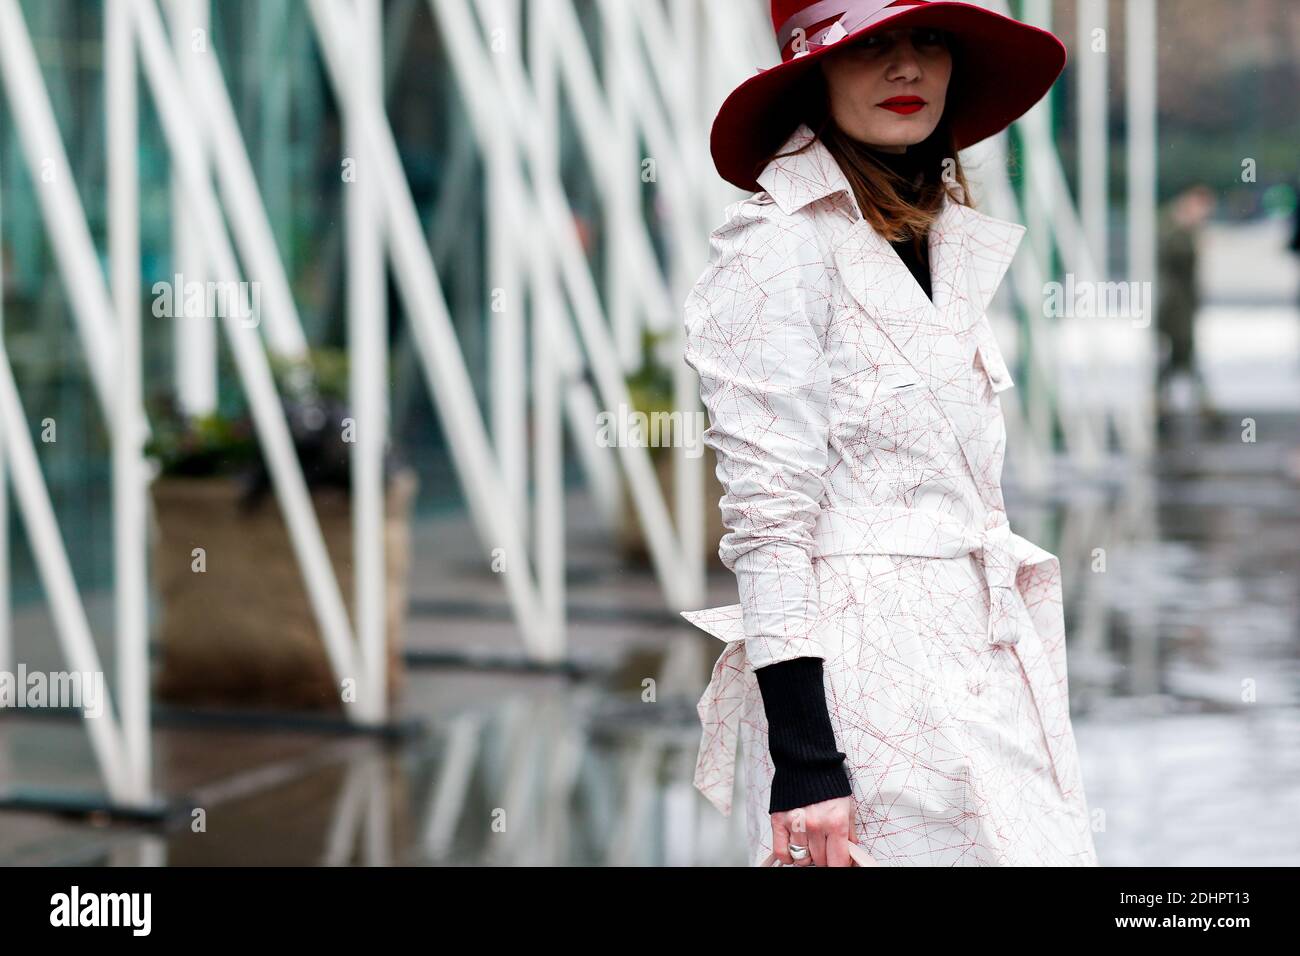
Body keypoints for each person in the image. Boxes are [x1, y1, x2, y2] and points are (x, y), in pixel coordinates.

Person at [681, 0, 1099, 867]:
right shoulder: (779, 244)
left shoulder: (934, 238)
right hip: (865, 691)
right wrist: (806, 763)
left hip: (984, 658)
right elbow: (768, 522)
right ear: (813, 70)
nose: (907, 68)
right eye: (871, 44)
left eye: (929, 39)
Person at [1155, 184, 1219, 427]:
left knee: (1178, 356)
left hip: (1182, 303)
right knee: (1182, 353)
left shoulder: (1182, 227)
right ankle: (1203, 406)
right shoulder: (1173, 225)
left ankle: (1163, 403)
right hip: (1172, 303)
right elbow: (1172, 258)